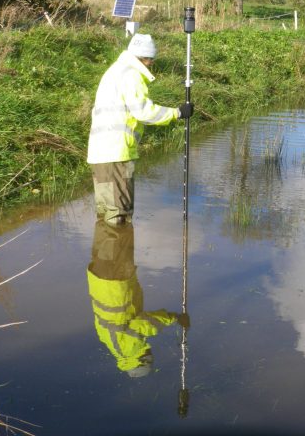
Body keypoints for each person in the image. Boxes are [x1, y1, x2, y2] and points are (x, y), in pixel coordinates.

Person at [87, 33, 193, 224]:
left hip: (100, 153)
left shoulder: (115, 70)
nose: (151, 64)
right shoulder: (132, 75)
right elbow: (143, 112)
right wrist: (177, 113)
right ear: (145, 58)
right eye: (150, 59)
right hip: (117, 154)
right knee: (119, 214)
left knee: (105, 215)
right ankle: (120, 253)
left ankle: (108, 252)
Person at [87, 220, 189, 377]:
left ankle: (118, 209)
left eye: (149, 356)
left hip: (116, 283)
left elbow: (144, 324)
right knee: (105, 226)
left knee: (119, 227)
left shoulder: (130, 349)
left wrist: (174, 318)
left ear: (142, 360)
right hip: (101, 281)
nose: (149, 351)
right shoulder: (111, 345)